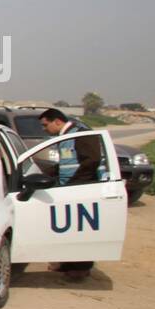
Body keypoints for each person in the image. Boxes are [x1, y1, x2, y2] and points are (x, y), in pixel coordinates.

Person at [39, 108, 99, 279]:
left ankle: (81, 268)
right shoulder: (66, 137)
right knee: (70, 232)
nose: (44, 129)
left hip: (82, 190)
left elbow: (92, 160)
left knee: (81, 232)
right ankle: (67, 264)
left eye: (45, 125)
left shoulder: (81, 135)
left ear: (57, 121)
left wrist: (76, 185)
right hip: (70, 189)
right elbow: (69, 162)